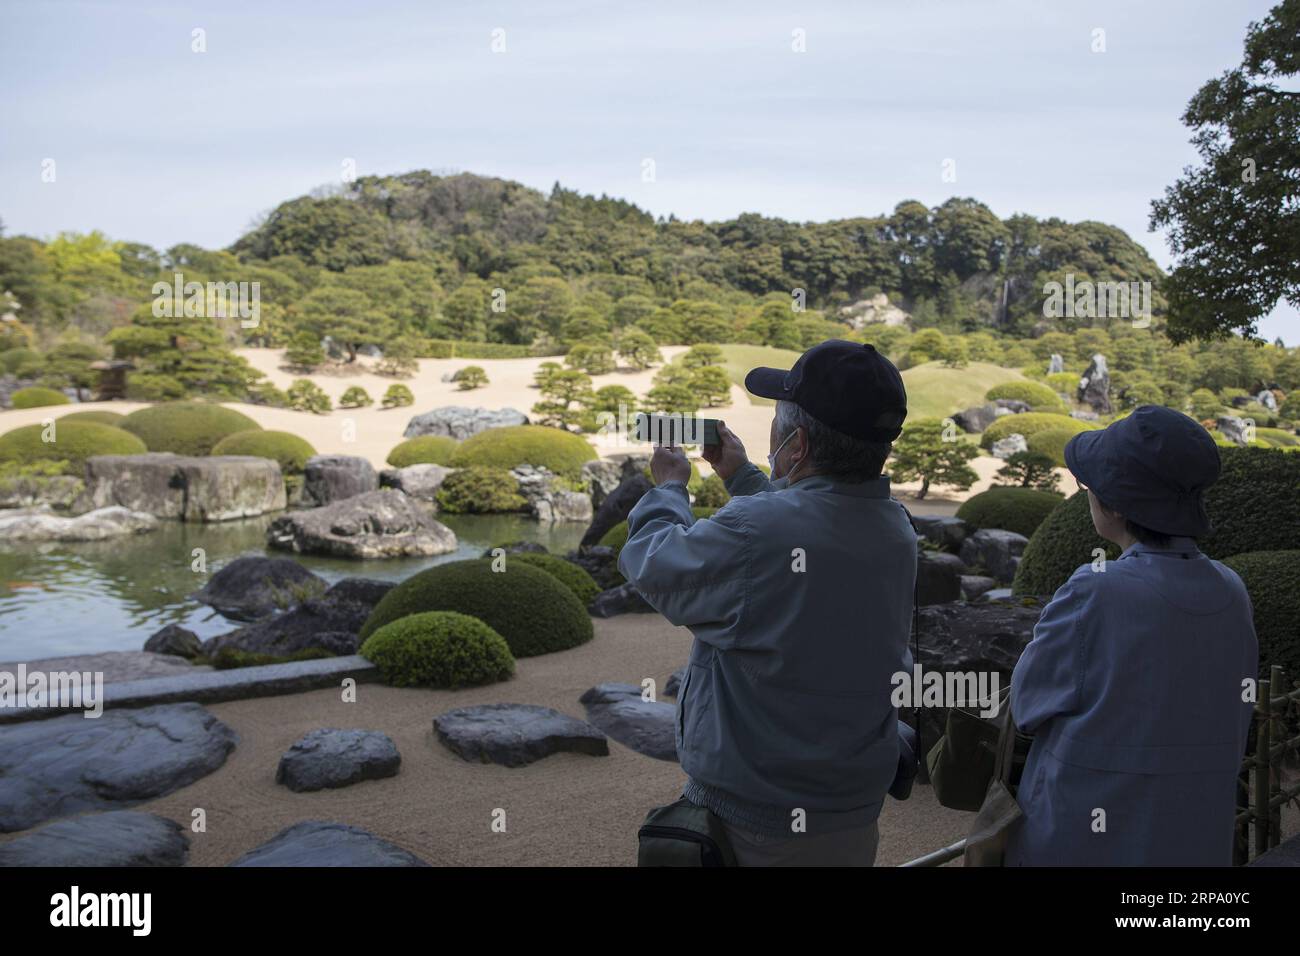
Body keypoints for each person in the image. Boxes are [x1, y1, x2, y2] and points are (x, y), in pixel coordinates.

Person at [618, 340, 916, 866]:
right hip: (851, 810)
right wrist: (742, 476)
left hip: (757, 823)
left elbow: (652, 565)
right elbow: (812, 520)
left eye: (778, 422)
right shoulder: (895, 527)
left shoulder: (758, 531)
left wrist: (669, 488)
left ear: (796, 444)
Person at [1006, 405, 1258, 866]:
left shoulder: (1096, 589)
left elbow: (1028, 705)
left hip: (1083, 833)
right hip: (1194, 835)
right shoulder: (1231, 588)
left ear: (1116, 504)